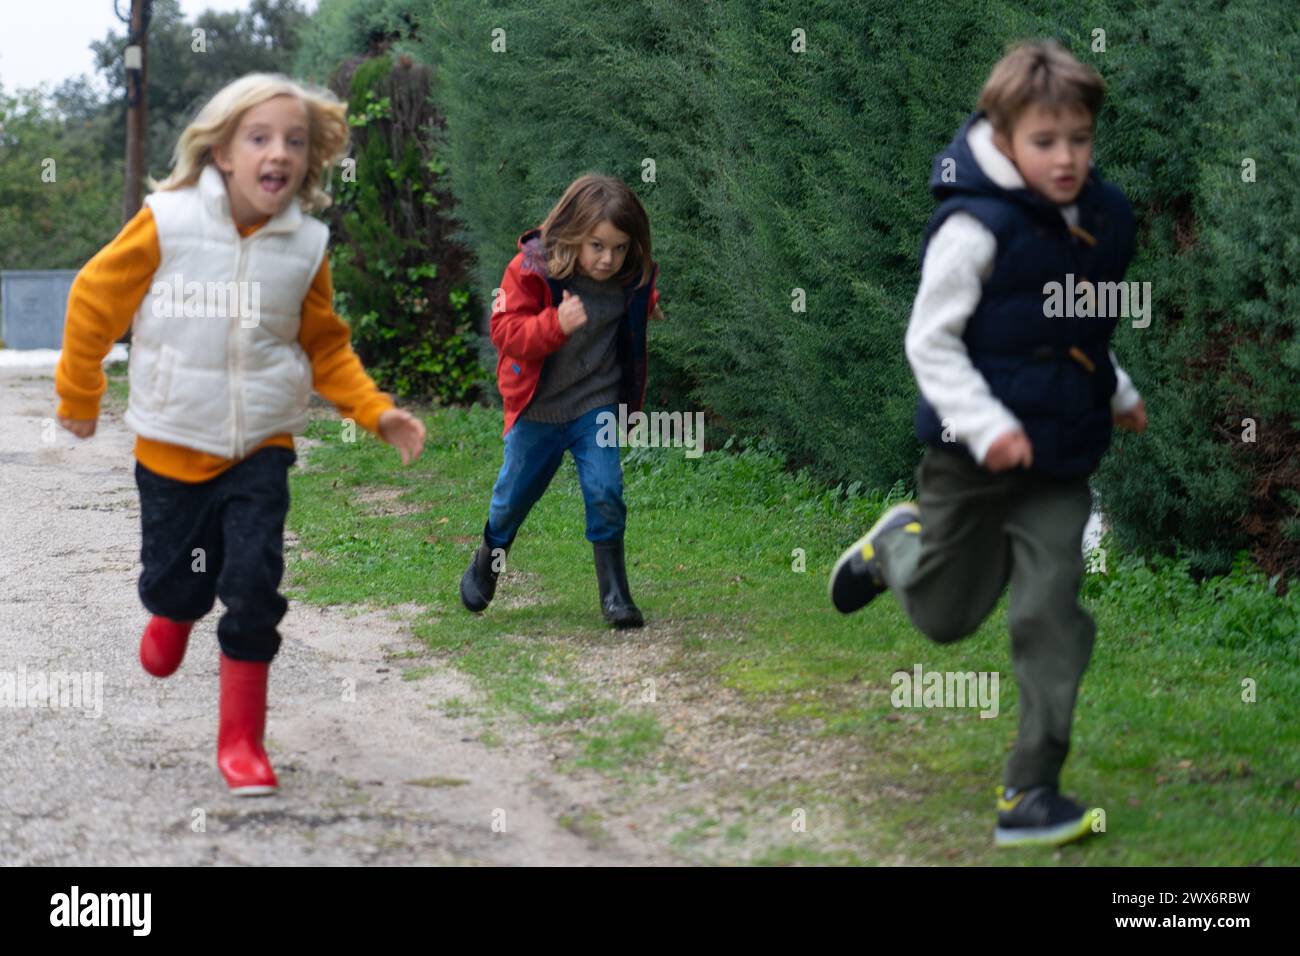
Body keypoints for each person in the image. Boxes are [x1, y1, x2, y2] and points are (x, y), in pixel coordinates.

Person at [55, 73, 426, 795]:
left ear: (309, 160)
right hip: (171, 441)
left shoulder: (305, 244)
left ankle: (242, 744)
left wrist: (374, 410)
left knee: (254, 585)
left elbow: (326, 346)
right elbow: (95, 299)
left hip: (261, 445)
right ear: (222, 151)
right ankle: (172, 608)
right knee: (178, 579)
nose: (277, 152)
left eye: (293, 141)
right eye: (259, 137)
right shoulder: (168, 220)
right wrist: (79, 391)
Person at [829, 41, 1147, 847]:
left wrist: (1117, 393)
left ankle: (1031, 790)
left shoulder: (1100, 219)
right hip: (969, 457)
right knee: (945, 615)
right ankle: (897, 544)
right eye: (1047, 142)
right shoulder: (973, 227)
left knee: (1051, 610)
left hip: (1059, 462)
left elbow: (1080, 327)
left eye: (1080, 139)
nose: (1067, 158)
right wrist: (990, 427)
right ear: (1003, 138)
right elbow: (931, 344)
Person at [459, 174, 662, 628]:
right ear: (572, 234)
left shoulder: (630, 277)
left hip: (597, 405)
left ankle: (615, 594)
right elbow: (504, 333)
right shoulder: (531, 270)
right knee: (512, 500)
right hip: (538, 411)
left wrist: (649, 304)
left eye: (620, 247)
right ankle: (487, 561)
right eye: (597, 246)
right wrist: (556, 323)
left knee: (606, 489)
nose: (609, 259)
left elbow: (632, 303)